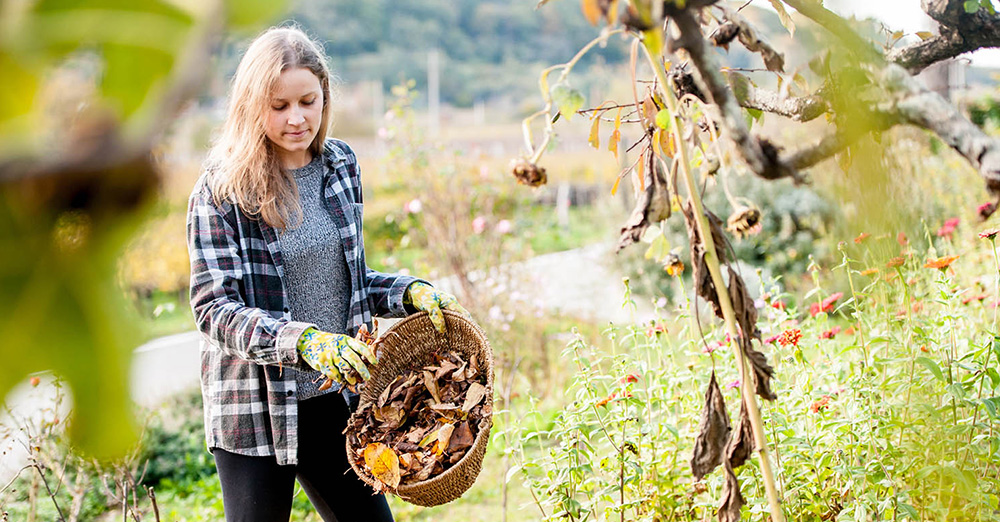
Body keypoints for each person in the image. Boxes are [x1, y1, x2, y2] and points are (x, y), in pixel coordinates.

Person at [185, 26, 468, 522]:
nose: (297, 118)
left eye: (307, 101)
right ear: (253, 104)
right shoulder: (221, 189)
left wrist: (410, 292)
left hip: (333, 400)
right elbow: (214, 310)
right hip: (256, 409)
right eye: (279, 106)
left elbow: (350, 280)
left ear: (324, 97)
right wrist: (307, 343)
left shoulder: (340, 164)